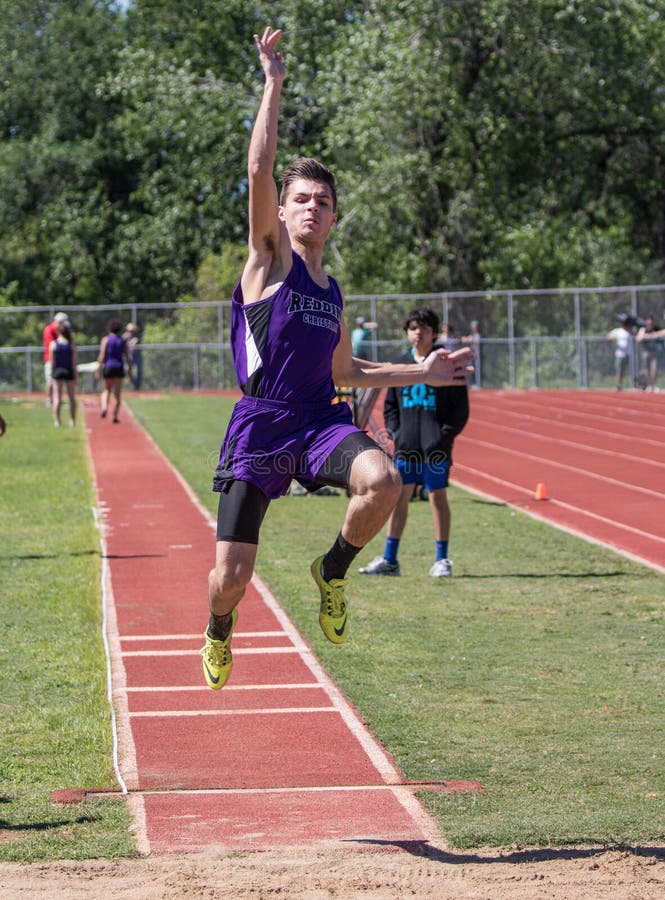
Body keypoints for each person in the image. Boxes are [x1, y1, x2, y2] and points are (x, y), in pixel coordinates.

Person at [200, 26, 473, 690]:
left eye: (323, 202)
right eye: (302, 200)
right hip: (262, 425)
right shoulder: (268, 261)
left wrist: (425, 371)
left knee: (383, 481)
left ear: (334, 217)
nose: (312, 208)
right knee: (230, 579)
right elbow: (258, 170)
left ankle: (331, 570)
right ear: (283, 212)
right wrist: (272, 83)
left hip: (319, 422)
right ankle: (216, 629)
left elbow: (347, 374)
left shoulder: (331, 290)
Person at [359, 307, 469, 578]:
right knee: (399, 500)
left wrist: (442, 437)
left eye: (424, 328)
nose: (418, 333)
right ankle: (389, 559)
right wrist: (396, 433)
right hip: (406, 447)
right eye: (413, 328)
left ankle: (442, 559)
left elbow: (460, 410)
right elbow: (391, 406)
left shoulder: (447, 364)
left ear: (434, 332)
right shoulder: (402, 364)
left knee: (437, 497)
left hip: (435, 448)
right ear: (407, 333)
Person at [96, 318, 131, 423]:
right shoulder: (122, 341)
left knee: (106, 390)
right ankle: (115, 416)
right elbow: (128, 358)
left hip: (108, 367)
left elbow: (101, 357)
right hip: (119, 367)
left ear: (109, 329)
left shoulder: (106, 340)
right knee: (117, 394)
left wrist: (98, 369)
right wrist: (130, 371)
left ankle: (104, 408)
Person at [49, 319, 78, 427]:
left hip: (57, 372)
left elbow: (52, 362)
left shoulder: (53, 344)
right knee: (72, 398)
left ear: (58, 332)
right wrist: (76, 376)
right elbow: (74, 363)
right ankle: (72, 421)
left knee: (57, 398)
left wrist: (52, 375)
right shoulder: (71, 345)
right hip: (69, 371)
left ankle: (57, 421)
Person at [42, 312, 69, 406]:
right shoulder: (49, 330)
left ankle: (58, 400)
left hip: (60, 360)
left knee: (59, 381)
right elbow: (52, 345)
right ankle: (49, 400)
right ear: (59, 322)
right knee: (50, 380)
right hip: (50, 359)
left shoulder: (60, 331)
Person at [636, 314, 665, 392]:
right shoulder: (643, 329)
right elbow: (638, 338)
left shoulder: (656, 328)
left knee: (654, 369)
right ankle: (648, 385)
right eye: (648, 320)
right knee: (646, 370)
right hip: (646, 352)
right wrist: (645, 336)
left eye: (651, 320)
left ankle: (653, 386)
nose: (650, 322)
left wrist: (653, 335)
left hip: (654, 352)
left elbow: (663, 332)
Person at [607, 314, 635, 390]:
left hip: (629, 354)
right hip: (620, 355)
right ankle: (618, 385)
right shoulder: (618, 331)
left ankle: (633, 384)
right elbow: (609, 336)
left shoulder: (630, 332)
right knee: (619, 370)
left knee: (631, 370)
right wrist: (614, 337)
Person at [122, 322, 143, 389]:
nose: (131, 332)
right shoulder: (124, 336)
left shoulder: (137, 336)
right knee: (126, 370)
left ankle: (137, 386)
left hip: (137, 356)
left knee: (138, 372)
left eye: (132, 331)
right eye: (129, 331)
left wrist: (129, 343)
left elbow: (133, 344)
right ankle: (120, 384)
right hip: (129, 356)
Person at [462, 320, 482, 388]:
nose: (473, 328)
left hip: (478, 355)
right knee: (472, 369)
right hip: (473, 355)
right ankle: (473, 383)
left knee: (477, 369)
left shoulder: (478, 335)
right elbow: (467, 338)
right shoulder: (473, 335)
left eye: (475, 326)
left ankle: (478, 383)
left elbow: (473, 340)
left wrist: (469, 339)